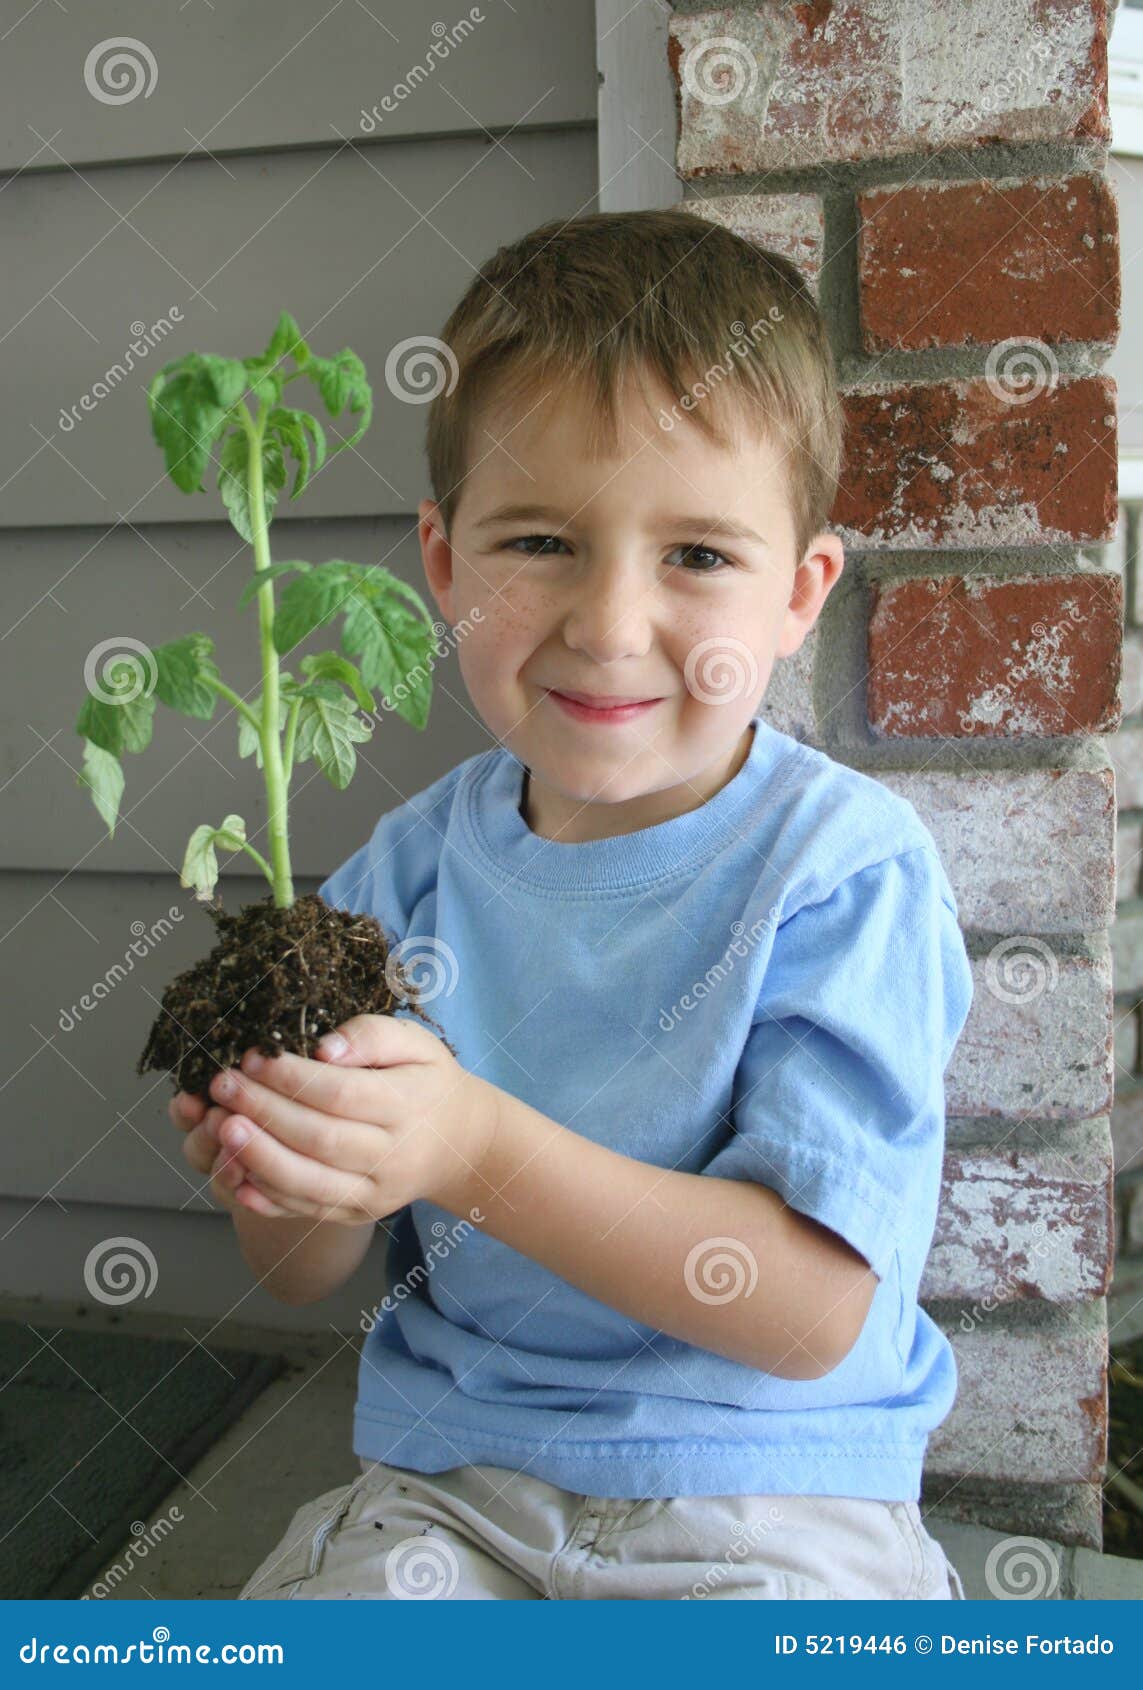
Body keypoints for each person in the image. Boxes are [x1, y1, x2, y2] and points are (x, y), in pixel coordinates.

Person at [171, 207, 973, 1600]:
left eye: (699, 556)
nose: (608, 622)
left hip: (767, 1484)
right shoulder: (401, 876)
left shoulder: (843, 870)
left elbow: (807, 1312)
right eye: (539, 539)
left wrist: (468, 1143)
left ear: (800, 591)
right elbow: (304, 1270)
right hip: (457, 1481)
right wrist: (289, 1160)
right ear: (442, 561)